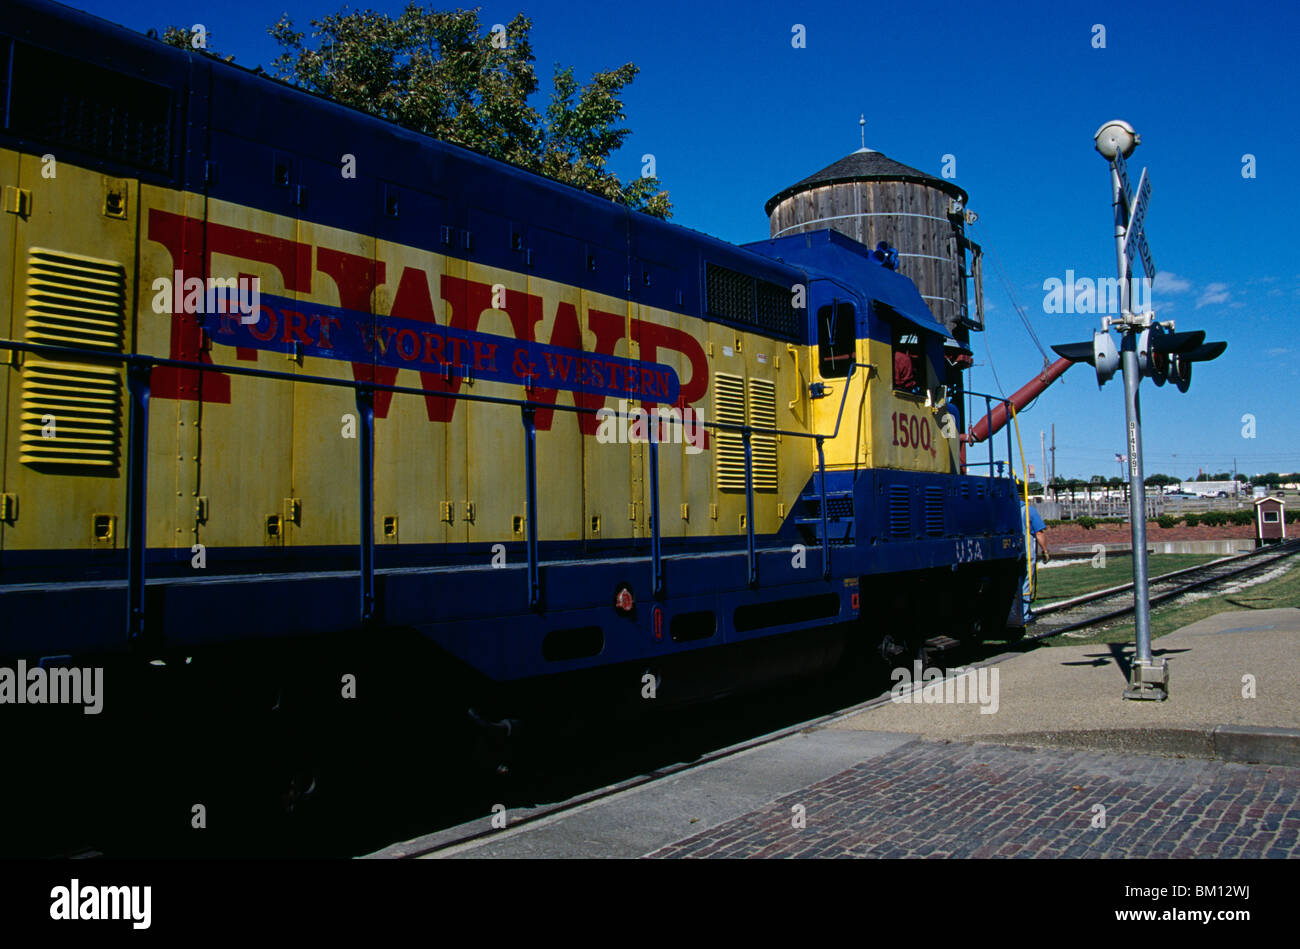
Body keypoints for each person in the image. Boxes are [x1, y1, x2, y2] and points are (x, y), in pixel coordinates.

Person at [1018, 480, 1050, 621]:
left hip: (1010, 554)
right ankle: (1024, 614)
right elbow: (1039, 533)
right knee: (1026, 582)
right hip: (1026, 552)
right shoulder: (1028, 511)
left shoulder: (1005, 510)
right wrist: (1045, 551)